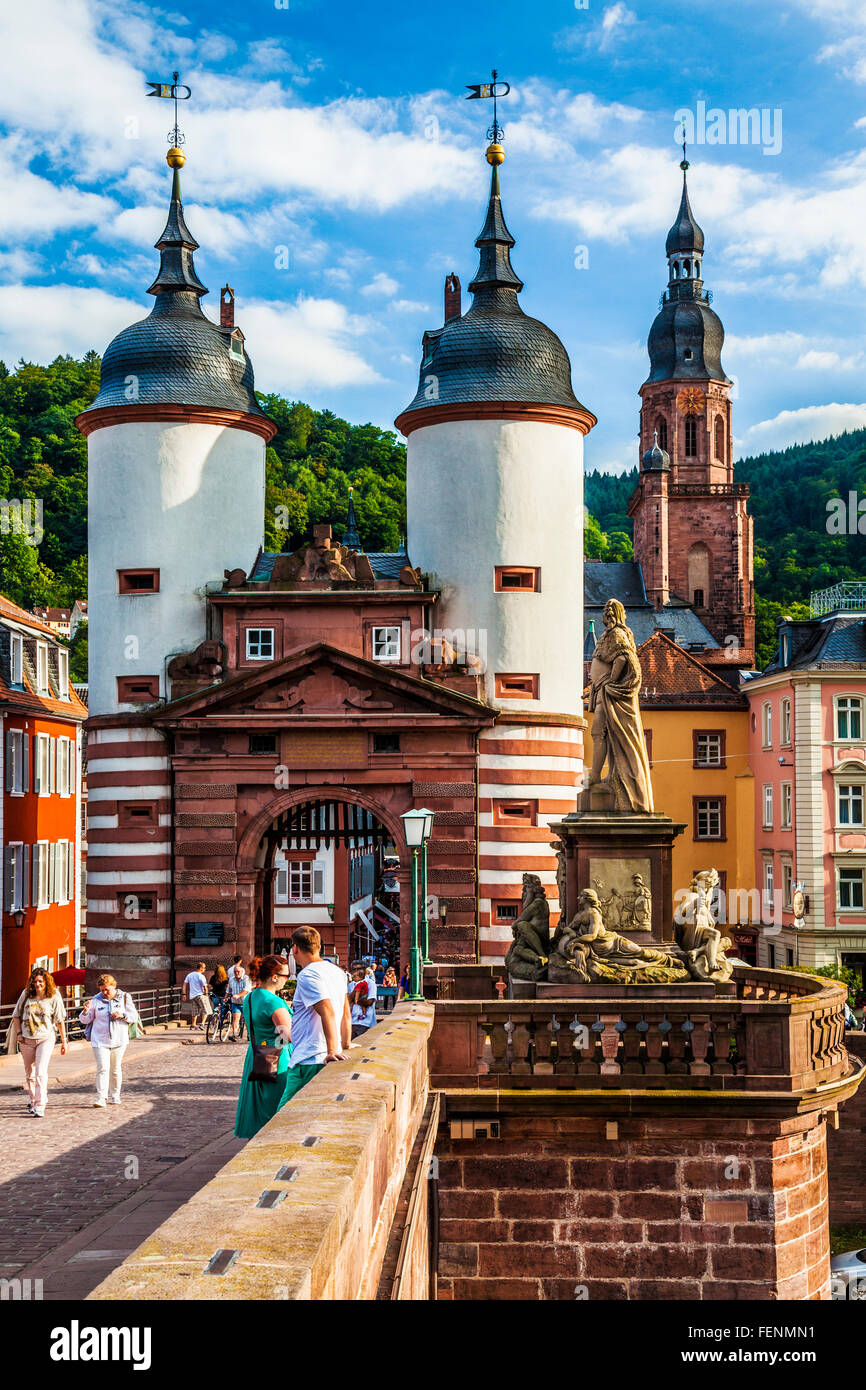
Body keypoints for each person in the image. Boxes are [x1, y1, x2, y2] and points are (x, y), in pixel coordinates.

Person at [278, 926, 350, 1109]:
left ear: (295, 948)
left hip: (308, 1059)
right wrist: (346, 1043)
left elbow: (326, 1010)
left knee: (282, 1117)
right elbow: (345, 1012)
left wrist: (332, 1050)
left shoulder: (308, 974)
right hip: (320, 1056)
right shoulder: (338, 973)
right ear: (319, 946)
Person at [234, 954, 293, 1140]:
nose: (287, 980)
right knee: (276, 1105)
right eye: (286, 976)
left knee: (259, 1106)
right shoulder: (273, 1001)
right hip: (277, 1057)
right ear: (274, 977)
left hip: (256, 1055)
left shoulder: (251, 997)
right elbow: (287, 1035)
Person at [10, 967, 68, 1116]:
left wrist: (64, 1041)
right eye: (35, 981)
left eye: (40, 981)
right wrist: (19, 1034)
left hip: (45, 1038)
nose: (37, 984)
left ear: (46, 982)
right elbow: (16, 1015)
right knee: (30, 1074)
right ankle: (33, 1099)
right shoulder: (26, 994)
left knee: (40, 1072)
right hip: (27, 1039)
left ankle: (40, 1105)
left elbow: (60, 1019)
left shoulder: (54, 996)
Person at [80, 974, 138, 1107]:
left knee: (115, 1069)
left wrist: (122, 1015)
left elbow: (134, 1017)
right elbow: (85, 1020)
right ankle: (101, 1097)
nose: (105, 993)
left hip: (119, 1040)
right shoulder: (96, 999)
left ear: (114, 986)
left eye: (107, 989)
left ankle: (115, 1095)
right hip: (100, 1040)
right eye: (102, 990)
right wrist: (85, 1011)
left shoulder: (124, 997)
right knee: (102, 1068)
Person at [226, 959, 251, 1041]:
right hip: (235, 1003)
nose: (236, 973)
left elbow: (246, 990)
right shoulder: (231, 979)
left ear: (242, 972)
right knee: (235, 1019)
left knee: (247, 1019)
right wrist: (226, 997)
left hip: (245, 1003)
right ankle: (234, 1034)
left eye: (238, 972)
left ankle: (249, 1035)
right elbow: (228, 990)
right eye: (235, 972)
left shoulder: (246, 979)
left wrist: (238, 995)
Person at [183, 961, 211, 1031]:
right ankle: (202, 1024)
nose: (205, 969)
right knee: (206, 1010)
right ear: (201, 968)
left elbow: (184, 985)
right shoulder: (201, 976)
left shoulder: (189, 975)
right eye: (204, 968)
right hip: (200, 995)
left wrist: (184, 994)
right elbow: (205, 987)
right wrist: (207, 994)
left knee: (195, 1011)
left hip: (193, 996)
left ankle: (193, 1025)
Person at [349, 968, 375, 1039]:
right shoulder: (351, 985)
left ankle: (363, 1015)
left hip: (364, 1023)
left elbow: (369, 1002)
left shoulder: (367, 983)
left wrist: (356, 1000)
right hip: (352, 1021)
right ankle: (362, 1014)